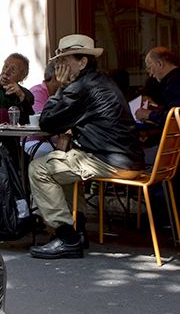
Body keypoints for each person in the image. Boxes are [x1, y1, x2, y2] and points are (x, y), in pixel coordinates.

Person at [28, 34, 145, 260]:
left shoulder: (80, 86)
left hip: (110, 160)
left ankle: (66, 238)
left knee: (39, 168)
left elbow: (48, 122)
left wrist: (60, 88)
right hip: (127, 158)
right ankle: (78, 230)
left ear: (82, 62)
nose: (58, 67)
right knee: (64, 163)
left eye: (65, 61)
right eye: (57, 62)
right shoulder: (100, 80)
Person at [135, 47, 180, 128]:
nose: (150, 74)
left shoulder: (174, 83)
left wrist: (149, 114)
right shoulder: (173, 79)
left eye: (150, 67)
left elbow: (174, 117)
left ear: (159, 64)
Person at [24, 60, 60, 158]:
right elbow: (42, 121)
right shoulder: (37, 92)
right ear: (54, 78)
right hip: (33, 142)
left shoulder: (59, 94)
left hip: (48, 141)